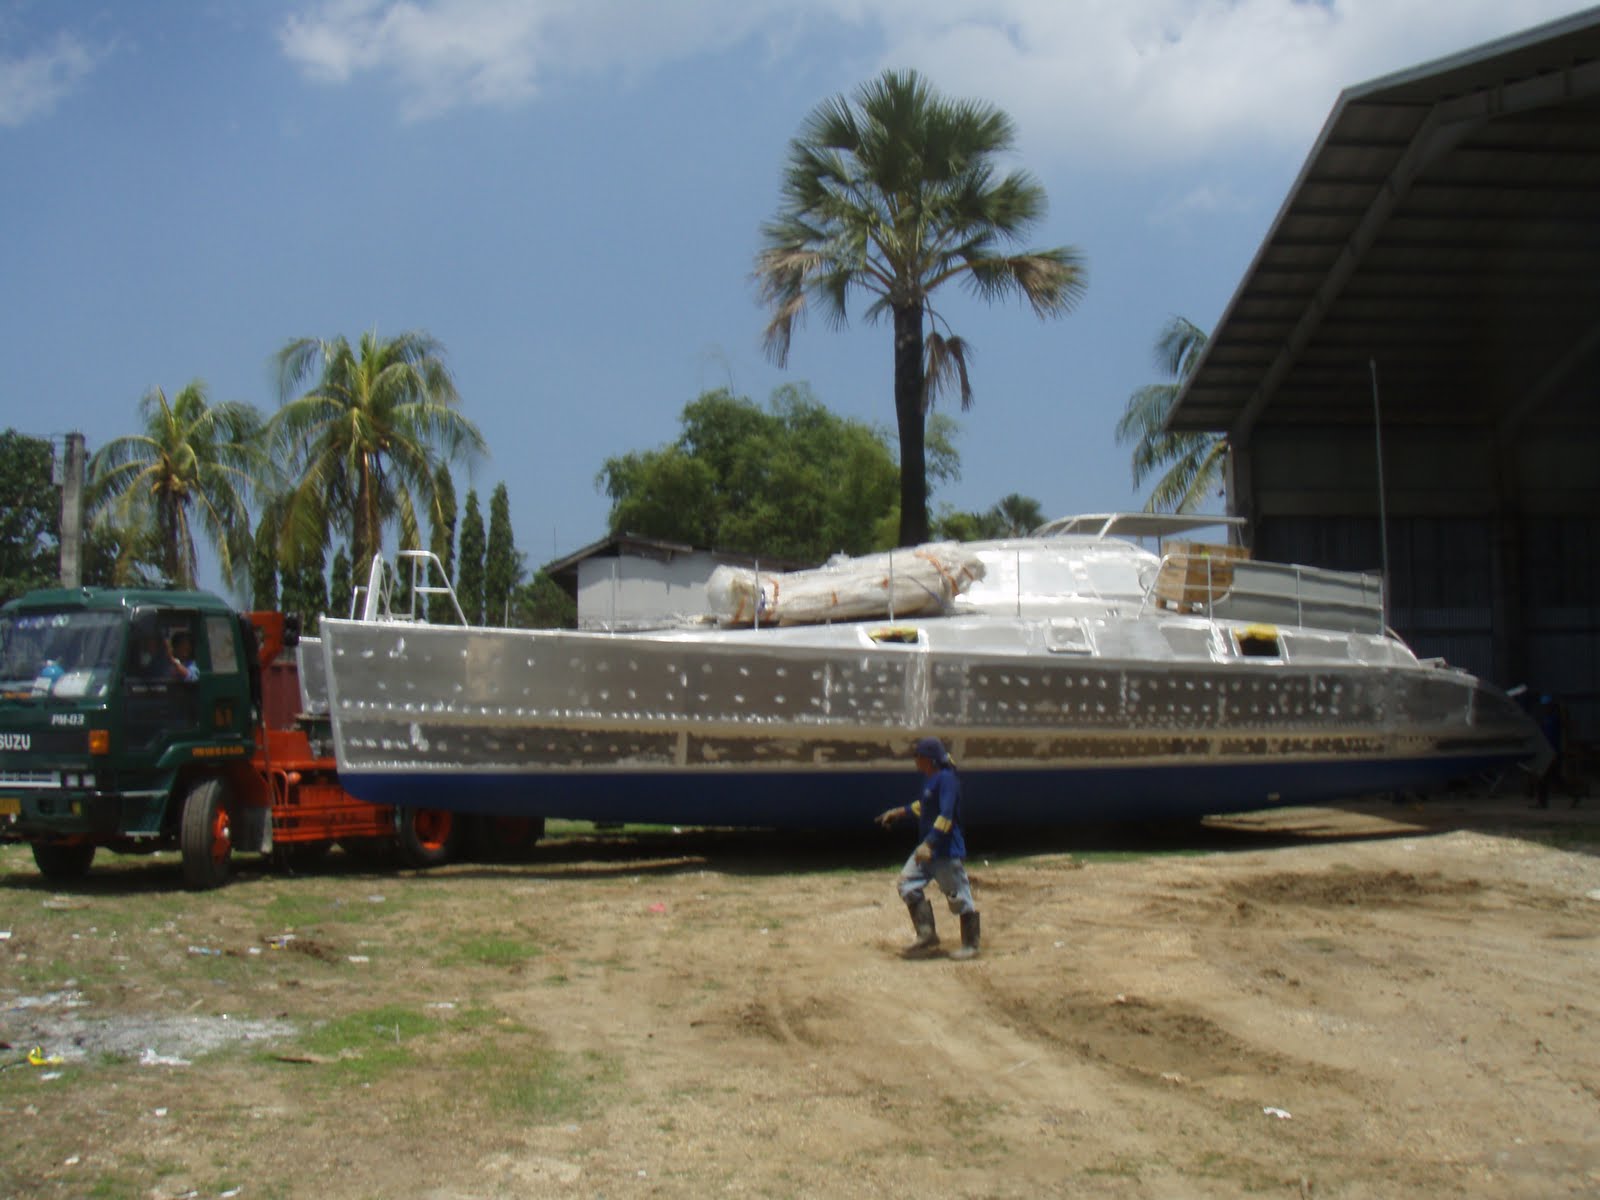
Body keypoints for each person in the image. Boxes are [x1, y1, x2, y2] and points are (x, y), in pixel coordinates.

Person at [875, 736, 980, 960]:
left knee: (959, 896)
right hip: (926, 851)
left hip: (944, 851)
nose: (915, 760)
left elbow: (946, 816)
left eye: (918, 756)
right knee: (907, 884)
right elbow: (923, 806)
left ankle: (971, 944)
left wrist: (929, 843)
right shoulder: (931, 779)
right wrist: (898, 812)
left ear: (929, 759)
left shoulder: (947, 780)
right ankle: (927, 934)